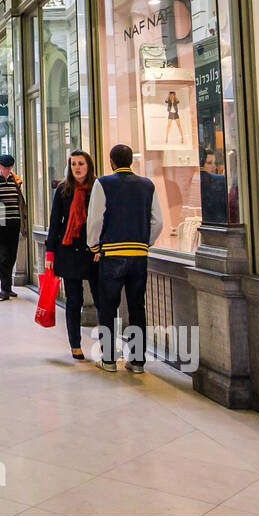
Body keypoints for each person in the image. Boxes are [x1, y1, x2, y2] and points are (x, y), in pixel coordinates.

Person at [85, 143, 163, 373]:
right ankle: (137, 361)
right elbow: (157, 221)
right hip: (139, 255)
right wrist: (145, 242)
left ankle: (108, 359)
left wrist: (93, 245)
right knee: (137, 306)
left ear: (111, 161)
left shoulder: (103, 183)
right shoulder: (147, 185)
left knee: (108, 306)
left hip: (112, 254)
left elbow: (96, 218)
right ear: (131, 161)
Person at [46, 150, 98, 361]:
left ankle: (106, 345)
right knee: (74, 301)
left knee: (101, 300)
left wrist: (101, 247)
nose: (77, 167)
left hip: (93, 252)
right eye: (74, 164)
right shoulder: (63, 190)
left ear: (89, 166)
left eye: (81, 164)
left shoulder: (97, 189)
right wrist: (50, 253)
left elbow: (103, 220)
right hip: (68, 251)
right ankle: (75, 344)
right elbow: (55, 222)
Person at [0, 153, 29, 300]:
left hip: (14, 221)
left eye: (9, 167)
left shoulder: (16, 180)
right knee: (1, 255)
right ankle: (5, 288)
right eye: (4, 167)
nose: (7, 170)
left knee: (11, 255)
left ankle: (7, 287)